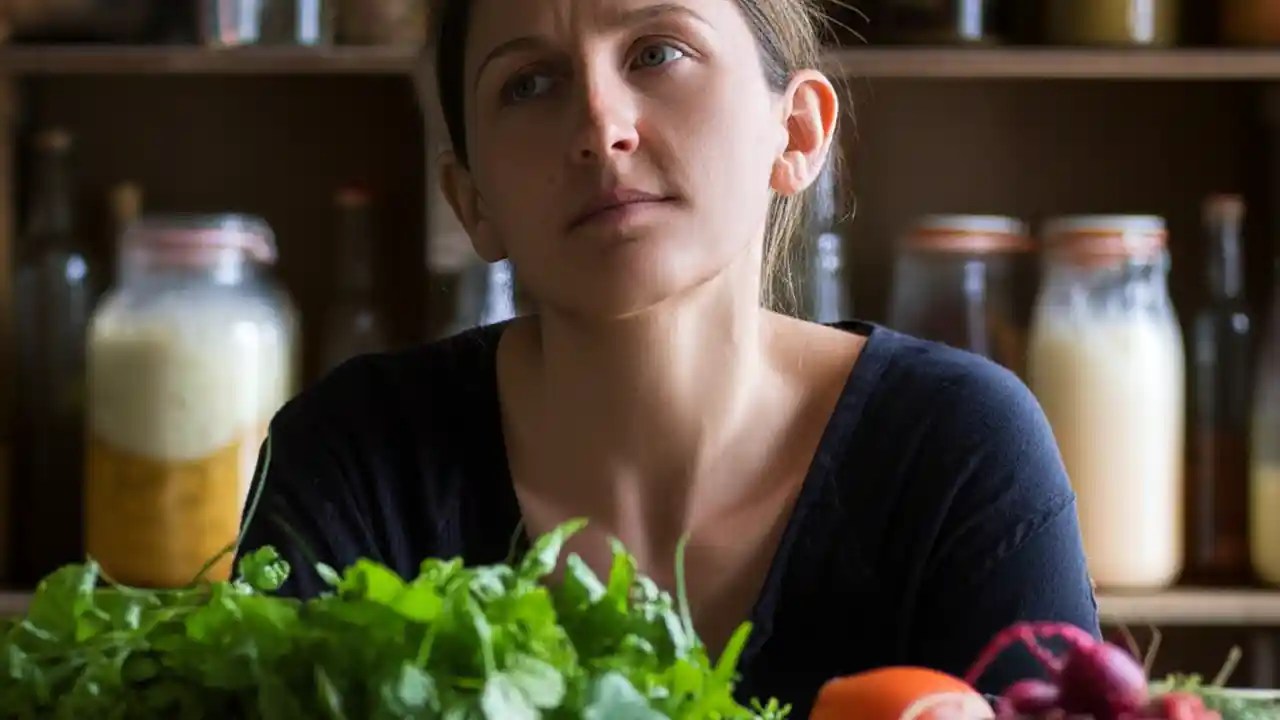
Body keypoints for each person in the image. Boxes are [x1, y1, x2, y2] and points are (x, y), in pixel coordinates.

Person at [235, 0, 1101, 714]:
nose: (599, 127)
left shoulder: (957, 447)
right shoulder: (353, 456)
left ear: (797, 131)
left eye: (657, 52)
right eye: (529, 83)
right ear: (472, 204)